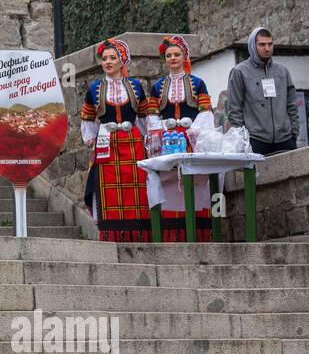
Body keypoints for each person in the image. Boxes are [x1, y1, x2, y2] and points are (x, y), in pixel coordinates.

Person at [80, 38, 152, 242]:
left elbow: (144, 117)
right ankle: (112, 234)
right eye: (104, 59)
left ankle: (140, 234)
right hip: (107, 145)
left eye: (113, 58)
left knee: (136, 186)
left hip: (133, 143)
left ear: (122, 61)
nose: (108, 62)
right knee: (108, 189)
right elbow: (87, 119)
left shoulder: (136, 86)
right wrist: (91, 140)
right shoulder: (94, 89)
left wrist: (150, 140)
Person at [148, 34, 216, 241]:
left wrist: (192, 132)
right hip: (167, 141)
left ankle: (198, 232)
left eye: (177, 54)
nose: (173, 58)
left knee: (195, 182)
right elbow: (152, 116)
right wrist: (163, 128)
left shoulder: (198, 83)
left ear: (184, 56)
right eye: (169, 55)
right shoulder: (157, 87)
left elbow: (206, 112)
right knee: (169, 183)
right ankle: (171, 234)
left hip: (192, 139)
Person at [226, 26, 299, 155]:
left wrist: (294, 132)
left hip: (286, 140)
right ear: (253, 46)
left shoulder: (282, 71)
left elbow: (292, 103)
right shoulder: (240, 72)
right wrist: (244, 138)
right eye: (262, 44)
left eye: (270, 44)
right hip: (256, 140)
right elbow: (234, 109)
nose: (267, 48)